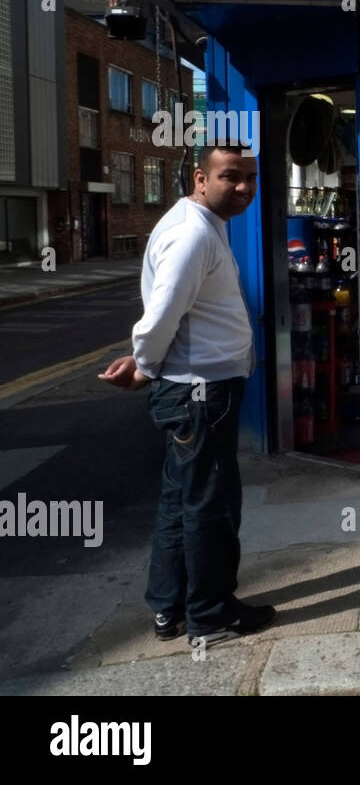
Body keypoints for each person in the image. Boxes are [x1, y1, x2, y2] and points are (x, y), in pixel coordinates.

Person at [99, 141, 275, 648]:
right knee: (211, 506)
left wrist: (150, 361)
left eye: (250, 177)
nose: (243, 187)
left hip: (196, 391)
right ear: (200, 179)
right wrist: (145, 366)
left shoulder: (196, 227)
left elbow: (172, 313)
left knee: (182, 500)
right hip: (201, 395)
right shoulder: (192, 235)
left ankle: (168, 607)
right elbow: (161, 316)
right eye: (230, 176)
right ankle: (211, 614)